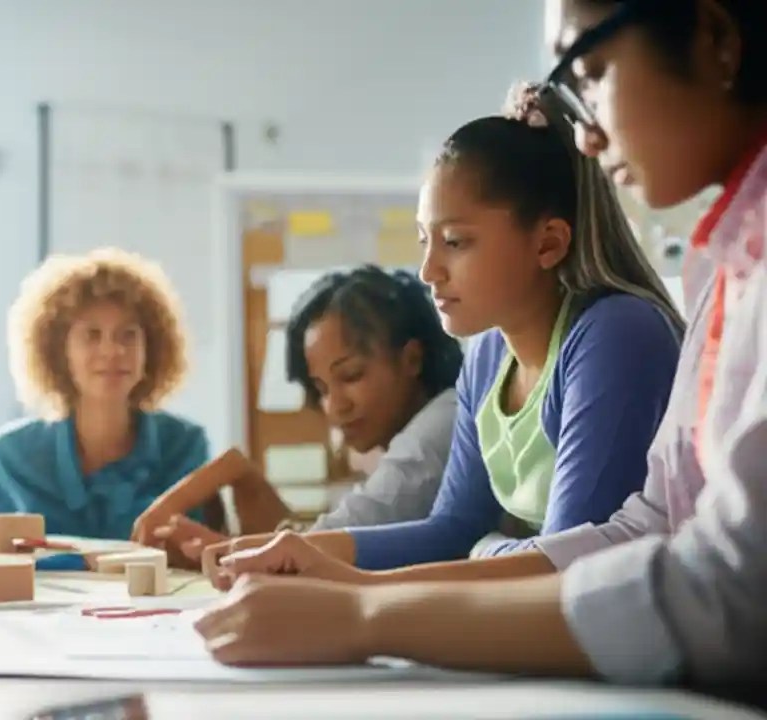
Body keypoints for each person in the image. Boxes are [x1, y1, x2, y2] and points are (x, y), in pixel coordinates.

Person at [194, 0, 767, 685]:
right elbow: (642, 529)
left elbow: (713, 584)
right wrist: (343, 578)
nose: (588, 136)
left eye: (592, 72)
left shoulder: (620, 331)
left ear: (715, 39)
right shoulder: (721, 267)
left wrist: (367, 610)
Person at [203, 78, 684, 580]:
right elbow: (454, 529)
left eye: (455, 242)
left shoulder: (616, 335)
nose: (429, 270)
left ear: (548, 244)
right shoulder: (489, 353)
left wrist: (477, 552)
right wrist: (296, 549)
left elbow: (562, 566)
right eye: (424, 241)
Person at [139, 266, 463, 558]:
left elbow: (324, 548)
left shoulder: (441, 424)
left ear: (411, 359)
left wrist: (225, 552)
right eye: (321, 389)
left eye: (351, 376)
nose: (336, 406)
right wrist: (240, 477)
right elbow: (324, 543)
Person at [0, 248, 215, 540]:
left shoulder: (184, 447)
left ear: (152, 347)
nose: (112, 351)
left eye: (128, 335)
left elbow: (192, 554)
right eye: (91, 335)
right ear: (58, 350)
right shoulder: (9, 457)